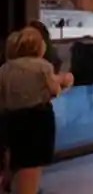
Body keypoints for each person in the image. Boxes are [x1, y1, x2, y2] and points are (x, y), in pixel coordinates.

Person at [0, 27, 73, 194]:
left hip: (11, 119)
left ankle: (10, 182)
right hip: (37, 119)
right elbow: (54, 90)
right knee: (32, 162)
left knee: (16, 157)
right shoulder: (43, 67)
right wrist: (64, 82)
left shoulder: (5, 69)